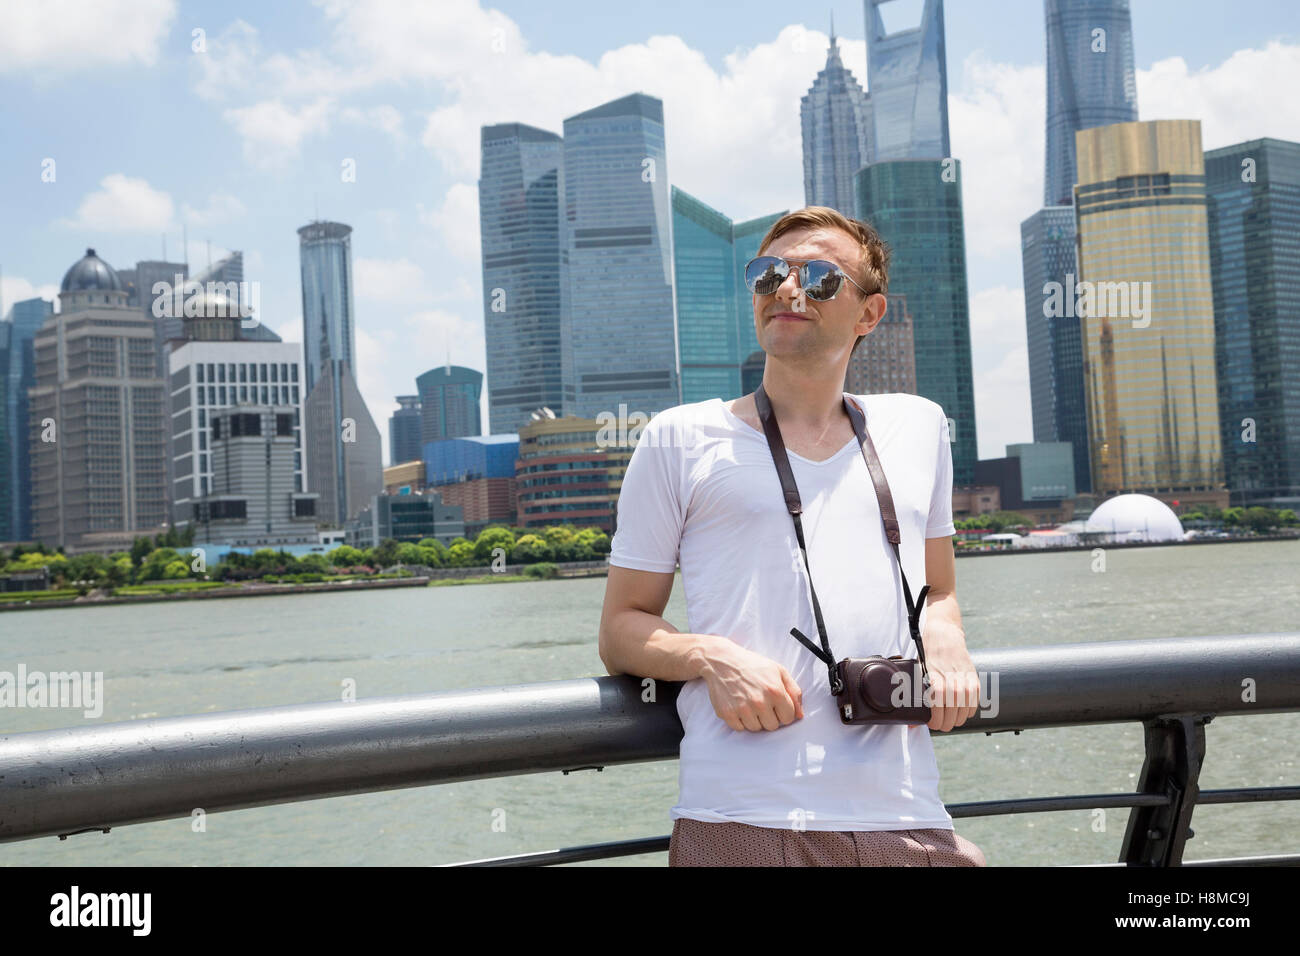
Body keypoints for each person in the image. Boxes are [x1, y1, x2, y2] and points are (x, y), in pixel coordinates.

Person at [598, 206, 986, 867]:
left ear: (870, 314)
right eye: (768, 273)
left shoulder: (920, 428)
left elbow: (939, 588)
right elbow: (621, 629)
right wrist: (710, 658)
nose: (786, 288)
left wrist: (945, 631)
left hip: (909, 814)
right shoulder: (679, 438)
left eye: (821, 278)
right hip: (744, 820)